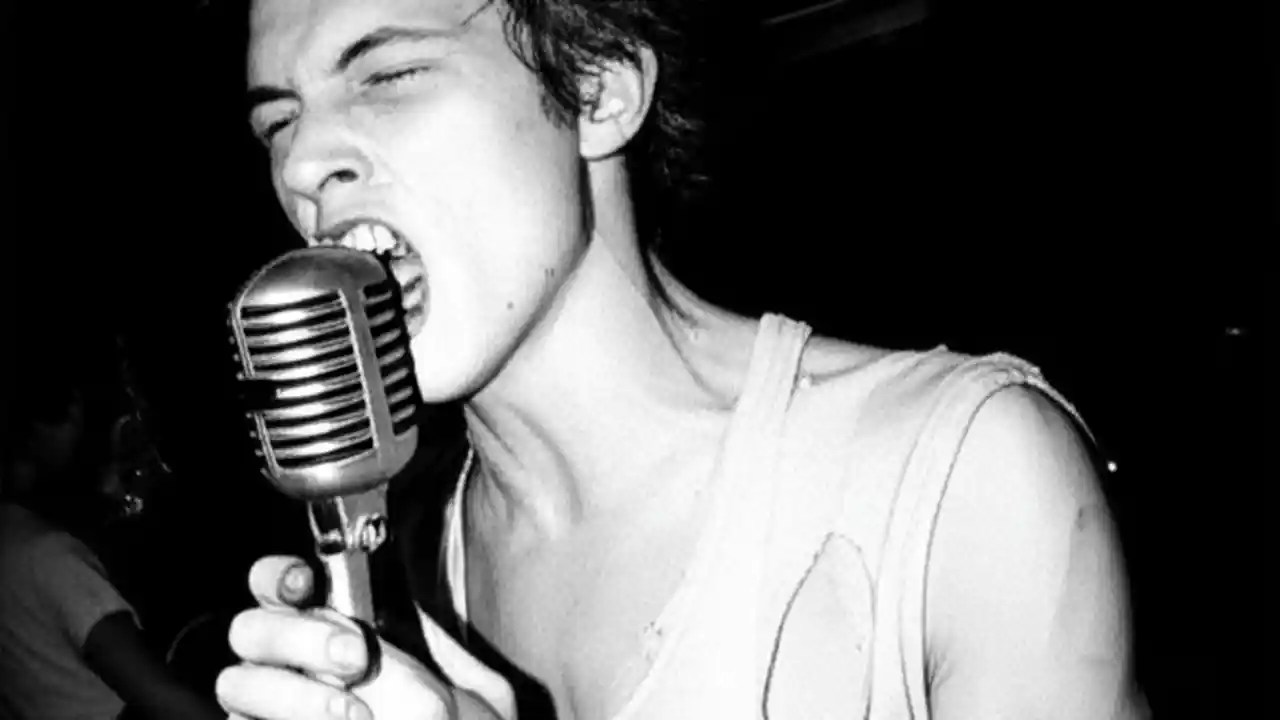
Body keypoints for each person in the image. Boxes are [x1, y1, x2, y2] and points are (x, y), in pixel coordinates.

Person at [215, 0, 1150, 718]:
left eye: (388, 75)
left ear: (598, 89)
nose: (301, 165)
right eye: (278, 123)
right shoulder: (401, 582)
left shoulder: (961, 478)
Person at [0, 383, 225, 720]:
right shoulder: (49, 555)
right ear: (35, 432)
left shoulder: (12, 538)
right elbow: (161, 697)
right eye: (78, 425)